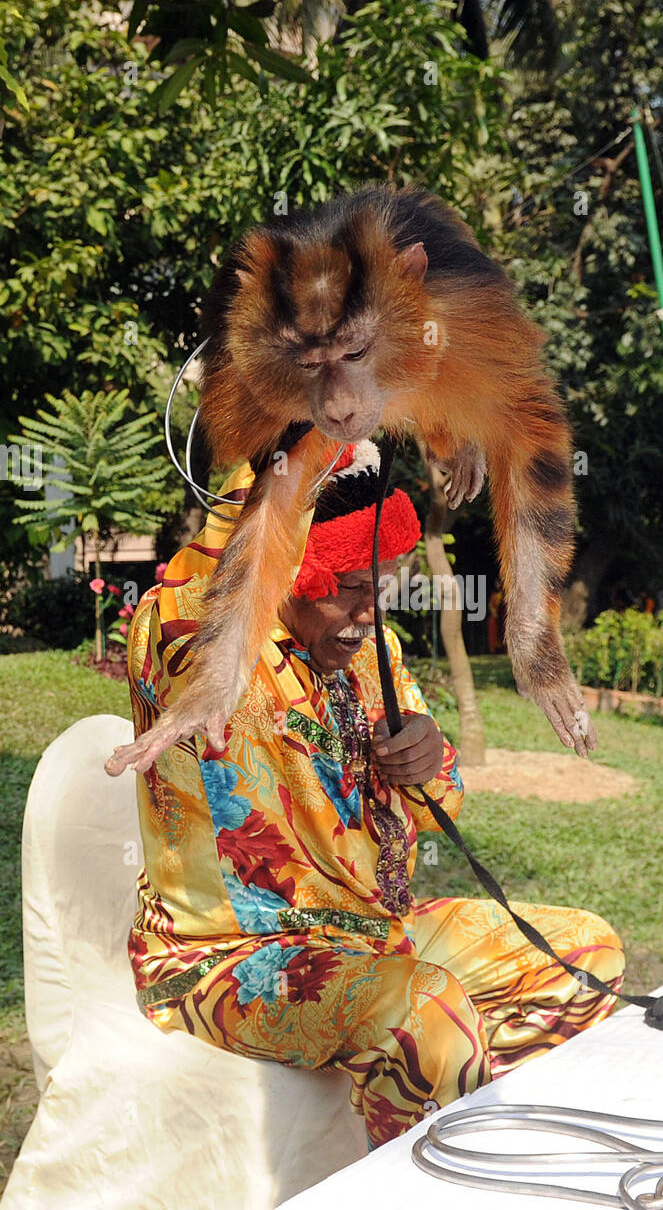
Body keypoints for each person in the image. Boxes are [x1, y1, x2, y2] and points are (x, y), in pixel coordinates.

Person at [121, 440, 625, 1149]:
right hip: (227, 959)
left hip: (376, 933)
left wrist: (429, 756)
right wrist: (334, 420)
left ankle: (483, 1141)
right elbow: (211, 569)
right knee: (425, 1010)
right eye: (349, 586)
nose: (367, 611)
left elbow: (437, 805)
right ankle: (421, 1203)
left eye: (382, 586)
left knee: (586, 955)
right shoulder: (197, 635)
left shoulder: (376, 654)